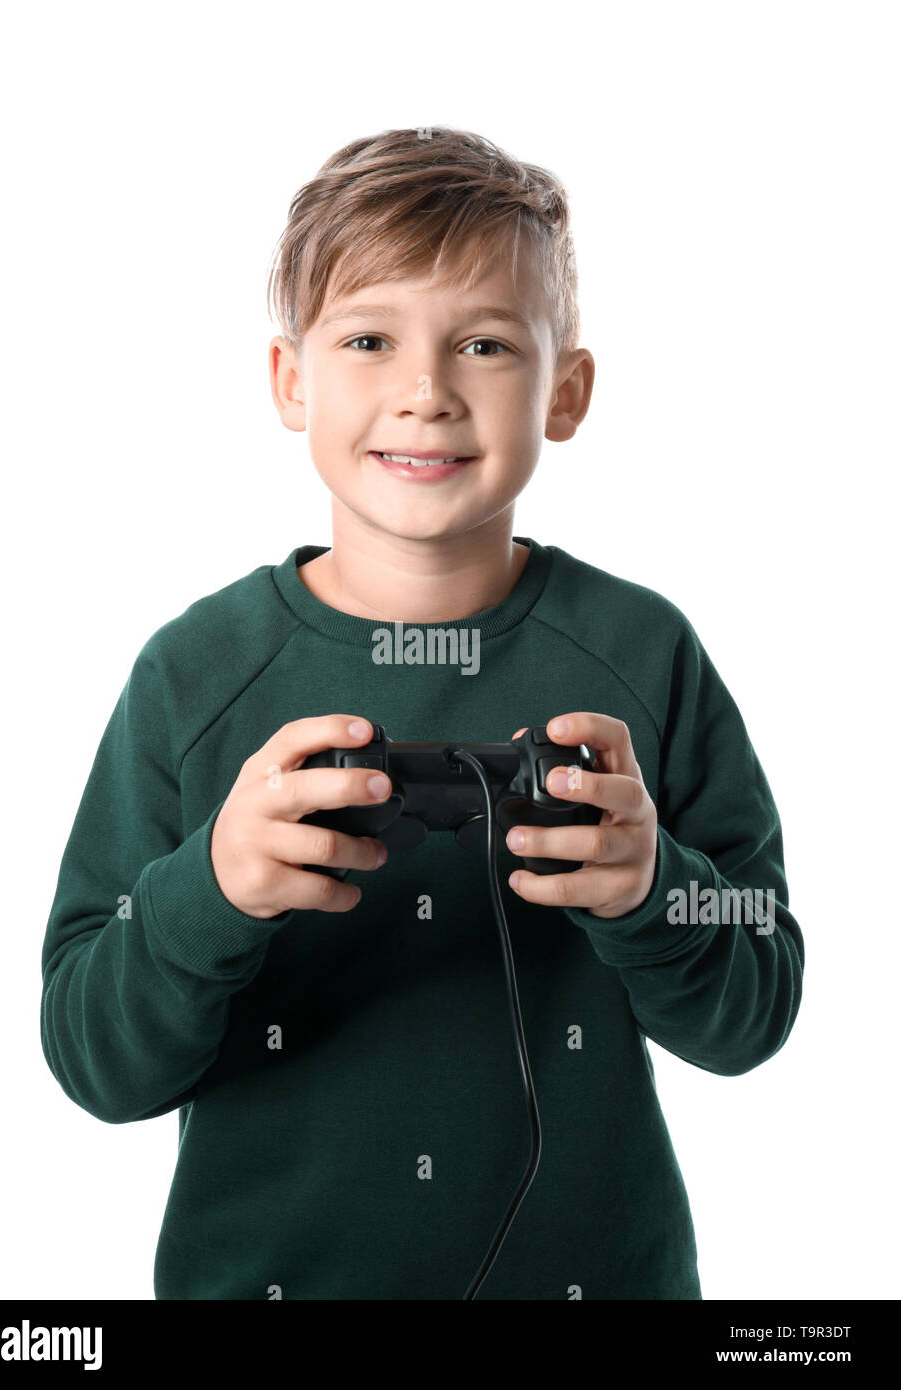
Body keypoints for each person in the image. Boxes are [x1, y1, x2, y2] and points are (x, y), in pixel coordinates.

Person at [40, 126, 804, 1300]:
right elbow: (93, 1060)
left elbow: (754, 1007)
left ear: (566, 390)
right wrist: (215, 888)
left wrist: (652, 885)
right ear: (292, 381)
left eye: (485, 343)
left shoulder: (641, 653)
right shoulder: (195, 674)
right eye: (367, 339)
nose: (426, 392)